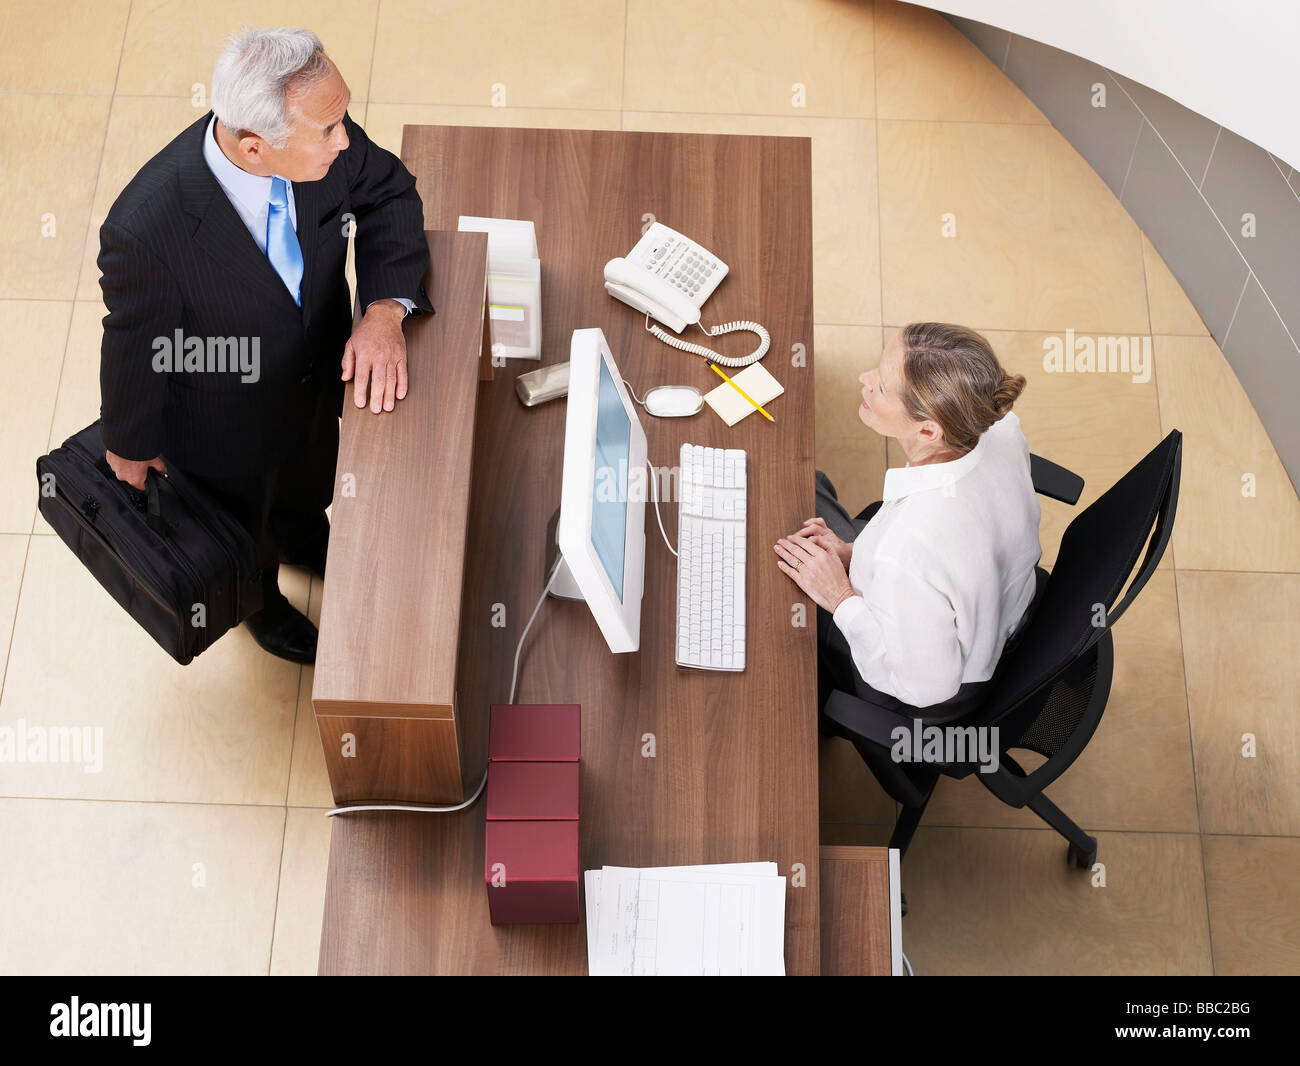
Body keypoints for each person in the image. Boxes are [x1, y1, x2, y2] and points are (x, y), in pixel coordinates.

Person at [98, 27, 433, 664]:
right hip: (222, 428)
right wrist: (130, 446)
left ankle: (307, 539)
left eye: (343, 119)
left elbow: (389, 191)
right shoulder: (145, 230)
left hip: (311, 387)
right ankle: (262, 606)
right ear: (255, 148)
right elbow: (135, 345)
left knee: (308, 486)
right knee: (243, 535)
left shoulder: (319, 137)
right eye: (330, 132)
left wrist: (385, 311)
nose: (347, 139)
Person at [773, 322, 1042, 719]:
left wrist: (839, 597)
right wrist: (854, 554)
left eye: (881, 385)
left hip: (928, 687)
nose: (864, 379)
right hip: (1006, 611)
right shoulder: (999, 426)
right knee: (810, 490)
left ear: (929, 430)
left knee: (787, 518)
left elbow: (926, 687)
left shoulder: (905, 551)